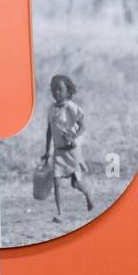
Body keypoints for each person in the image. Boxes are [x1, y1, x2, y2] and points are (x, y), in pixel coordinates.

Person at [40, 73, 93, 223]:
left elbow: (83, 126)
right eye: (53, 89)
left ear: (68, 91)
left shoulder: (71, 107)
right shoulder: (51, 109)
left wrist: (73, 137)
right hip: (58, 151)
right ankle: (60, 214)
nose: (56, 92)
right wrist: (46, 152)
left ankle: (88, 195)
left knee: (75, 183)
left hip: (72, 151)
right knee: (56, 181)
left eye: (59, 89)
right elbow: (49, 131)